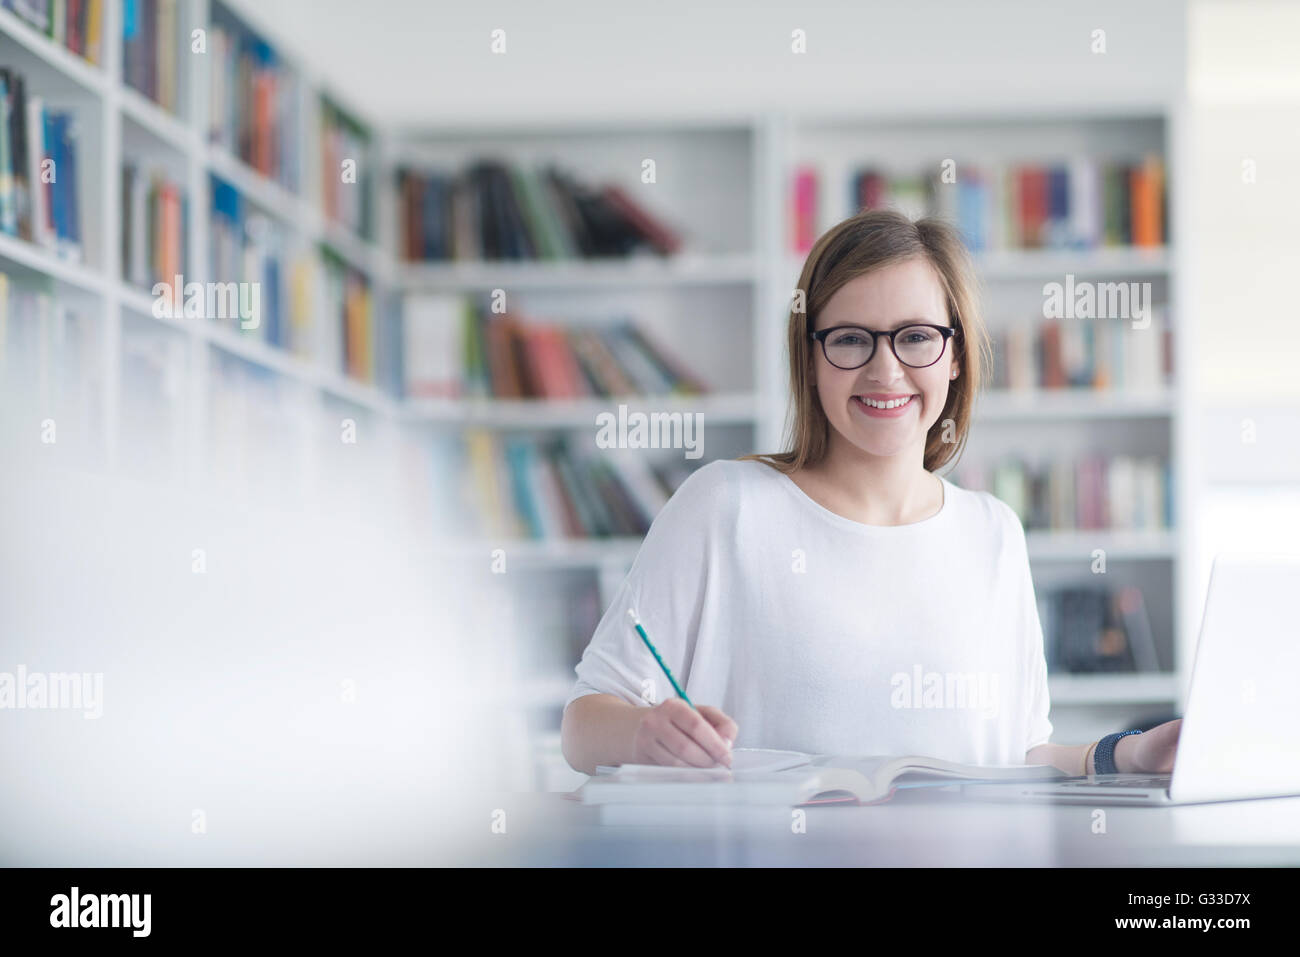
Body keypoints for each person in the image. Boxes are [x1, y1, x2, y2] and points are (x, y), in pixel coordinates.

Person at [560, 208, 1180, 778]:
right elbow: (582, 727)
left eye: (915, 337)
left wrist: (1123, 753)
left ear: (955, 354)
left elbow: (1013, 755)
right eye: (852, 339)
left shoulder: (994, 531)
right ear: (811, 358)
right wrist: (644, 733)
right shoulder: (726, 506)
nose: (885, 370)